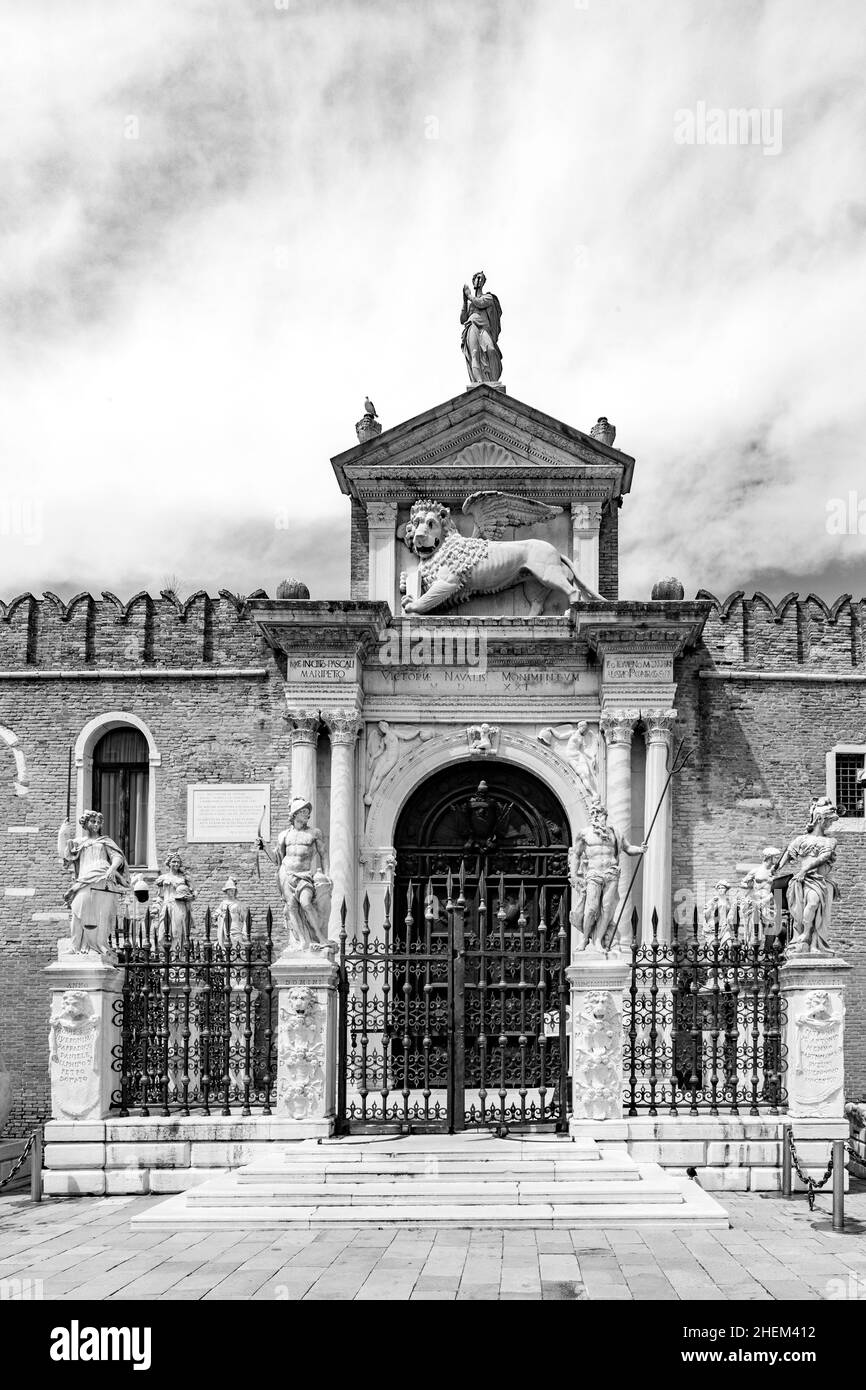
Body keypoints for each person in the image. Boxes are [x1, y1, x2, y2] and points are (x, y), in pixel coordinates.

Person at [570, 799, 647, 952]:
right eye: (593, 813)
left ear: (605, 815)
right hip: (593, 874)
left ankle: (598, 940)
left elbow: (628, 848)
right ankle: (585, 939)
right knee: (591, 909)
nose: (596, 816)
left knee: (607, 909)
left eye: (598, 813)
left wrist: (640, 849)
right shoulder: (584, 834)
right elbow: (576, 855)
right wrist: (574, 875)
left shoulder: (615, 833)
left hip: (611, 874)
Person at [259, 796, 332, 951]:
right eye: (303, 811)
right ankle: (302, 941)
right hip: (286, 873)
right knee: (291, 906)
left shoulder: (314, 833)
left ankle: (319, 937)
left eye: (307, 811)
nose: (306, 814)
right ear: (295, 814)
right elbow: (277, 859)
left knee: (306, 903)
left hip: (304, 875)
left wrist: (327, 875)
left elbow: (324, 854)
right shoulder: (284, 835)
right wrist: (264, 847)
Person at [62, 809, 128, 955]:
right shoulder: (78, 843)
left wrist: (112, 868)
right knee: (77, 909)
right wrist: (63, 834)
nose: (96, 824)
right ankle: (75, 946)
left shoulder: (105, 841)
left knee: (101, 913)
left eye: (99, 822)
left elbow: (117, 857)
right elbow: (66, 857)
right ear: (85, 823)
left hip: (103, 877)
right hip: (84, 879)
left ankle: (99, 944)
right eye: (93, 821)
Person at [460, 271, 503, 384]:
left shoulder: (488, 297)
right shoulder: (470, 304)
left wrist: (469, 295)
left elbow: (480, 303)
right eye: (477, 278)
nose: (479, 280)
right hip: (472, 326)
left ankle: (492, 380)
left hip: (484, 329)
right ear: (473, 281)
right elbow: (462, 319)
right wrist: (465, 301)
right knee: (474, 353)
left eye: (481, 278)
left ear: (483, 282)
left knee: (491, 350)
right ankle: (478, 382)